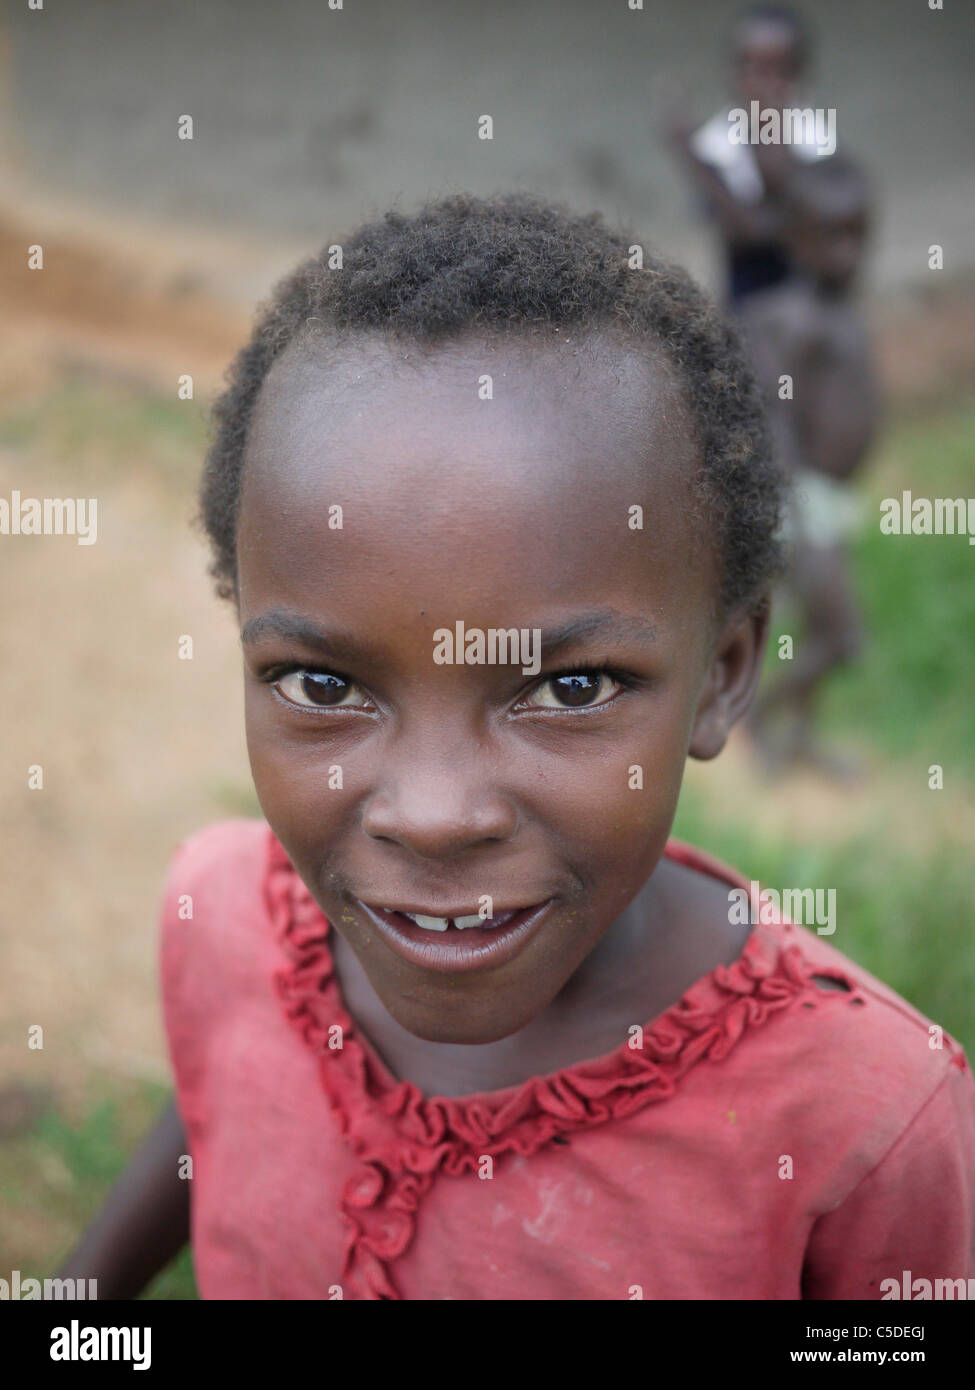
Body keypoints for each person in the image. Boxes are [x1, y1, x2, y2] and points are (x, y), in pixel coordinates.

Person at [56, 192, 974, 1300]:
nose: (434, 813)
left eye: (570, 687)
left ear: (725, 675)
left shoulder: (863, 1118)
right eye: (324, 683)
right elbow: (226, 1097)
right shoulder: (231, 918)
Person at [739, 154, 880, 776]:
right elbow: (776, 418)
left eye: (858, 234)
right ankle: (760, 720)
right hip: (806, 503)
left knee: (816, 627)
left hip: (832, 501)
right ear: (794, 237)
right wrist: (792, 507)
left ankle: (801, 737)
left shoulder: (841, 312)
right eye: (833, 235)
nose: (849, 251)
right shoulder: (791, 321)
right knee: (841, 637)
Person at [667, 5, 826, 308]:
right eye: (751, 69)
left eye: (778, 71)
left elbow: (764, 231)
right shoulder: (718, 139)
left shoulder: (814, 139)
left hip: (803, 303)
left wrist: (689, 156)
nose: (762, 85)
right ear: (733, 72)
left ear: (801, 76)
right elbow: (722, 224)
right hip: (743, 300)